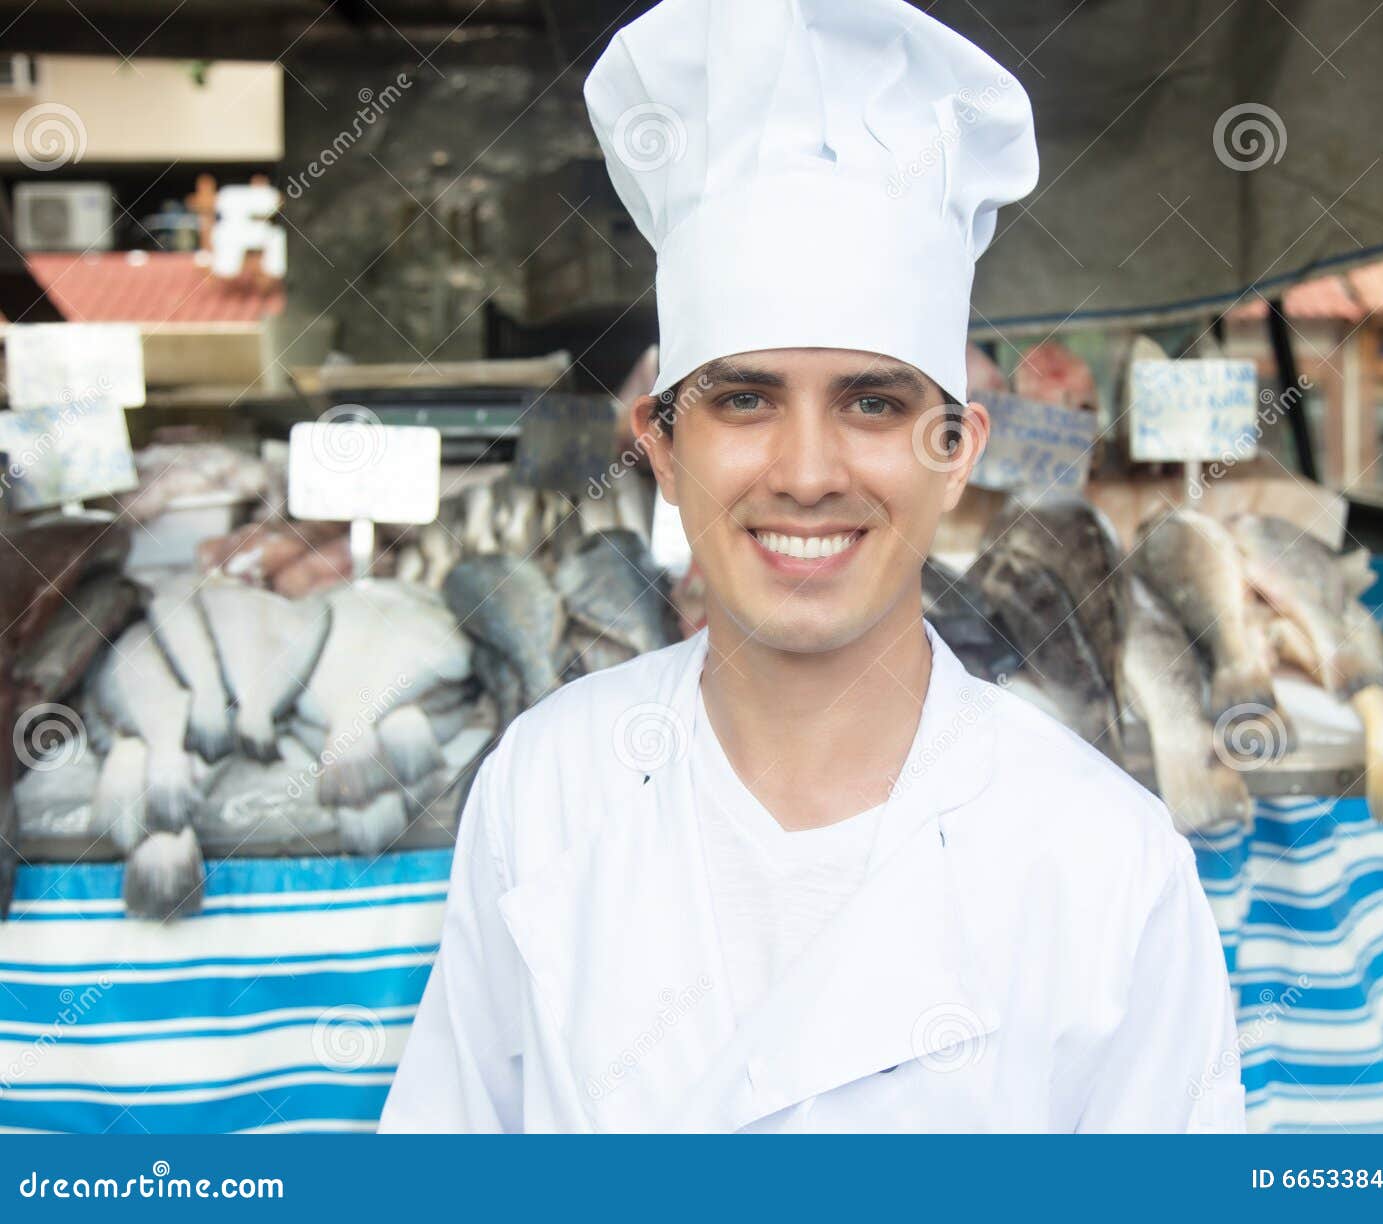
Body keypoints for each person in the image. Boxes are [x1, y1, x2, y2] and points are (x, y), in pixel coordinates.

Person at [380, 0, 1245, 1134]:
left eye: (872, 403)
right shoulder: (548, 789)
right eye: (743, 400)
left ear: (956, 455)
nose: (803, 472)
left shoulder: (1102, 860)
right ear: (661, 448)